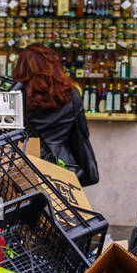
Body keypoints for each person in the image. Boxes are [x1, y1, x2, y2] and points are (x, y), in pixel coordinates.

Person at [10, 43, 97, 185]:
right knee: (61, 205)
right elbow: (82, 132)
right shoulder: (71, 93)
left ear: (22, 68)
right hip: (62, 165)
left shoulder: (17, 95)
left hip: (25, 164)